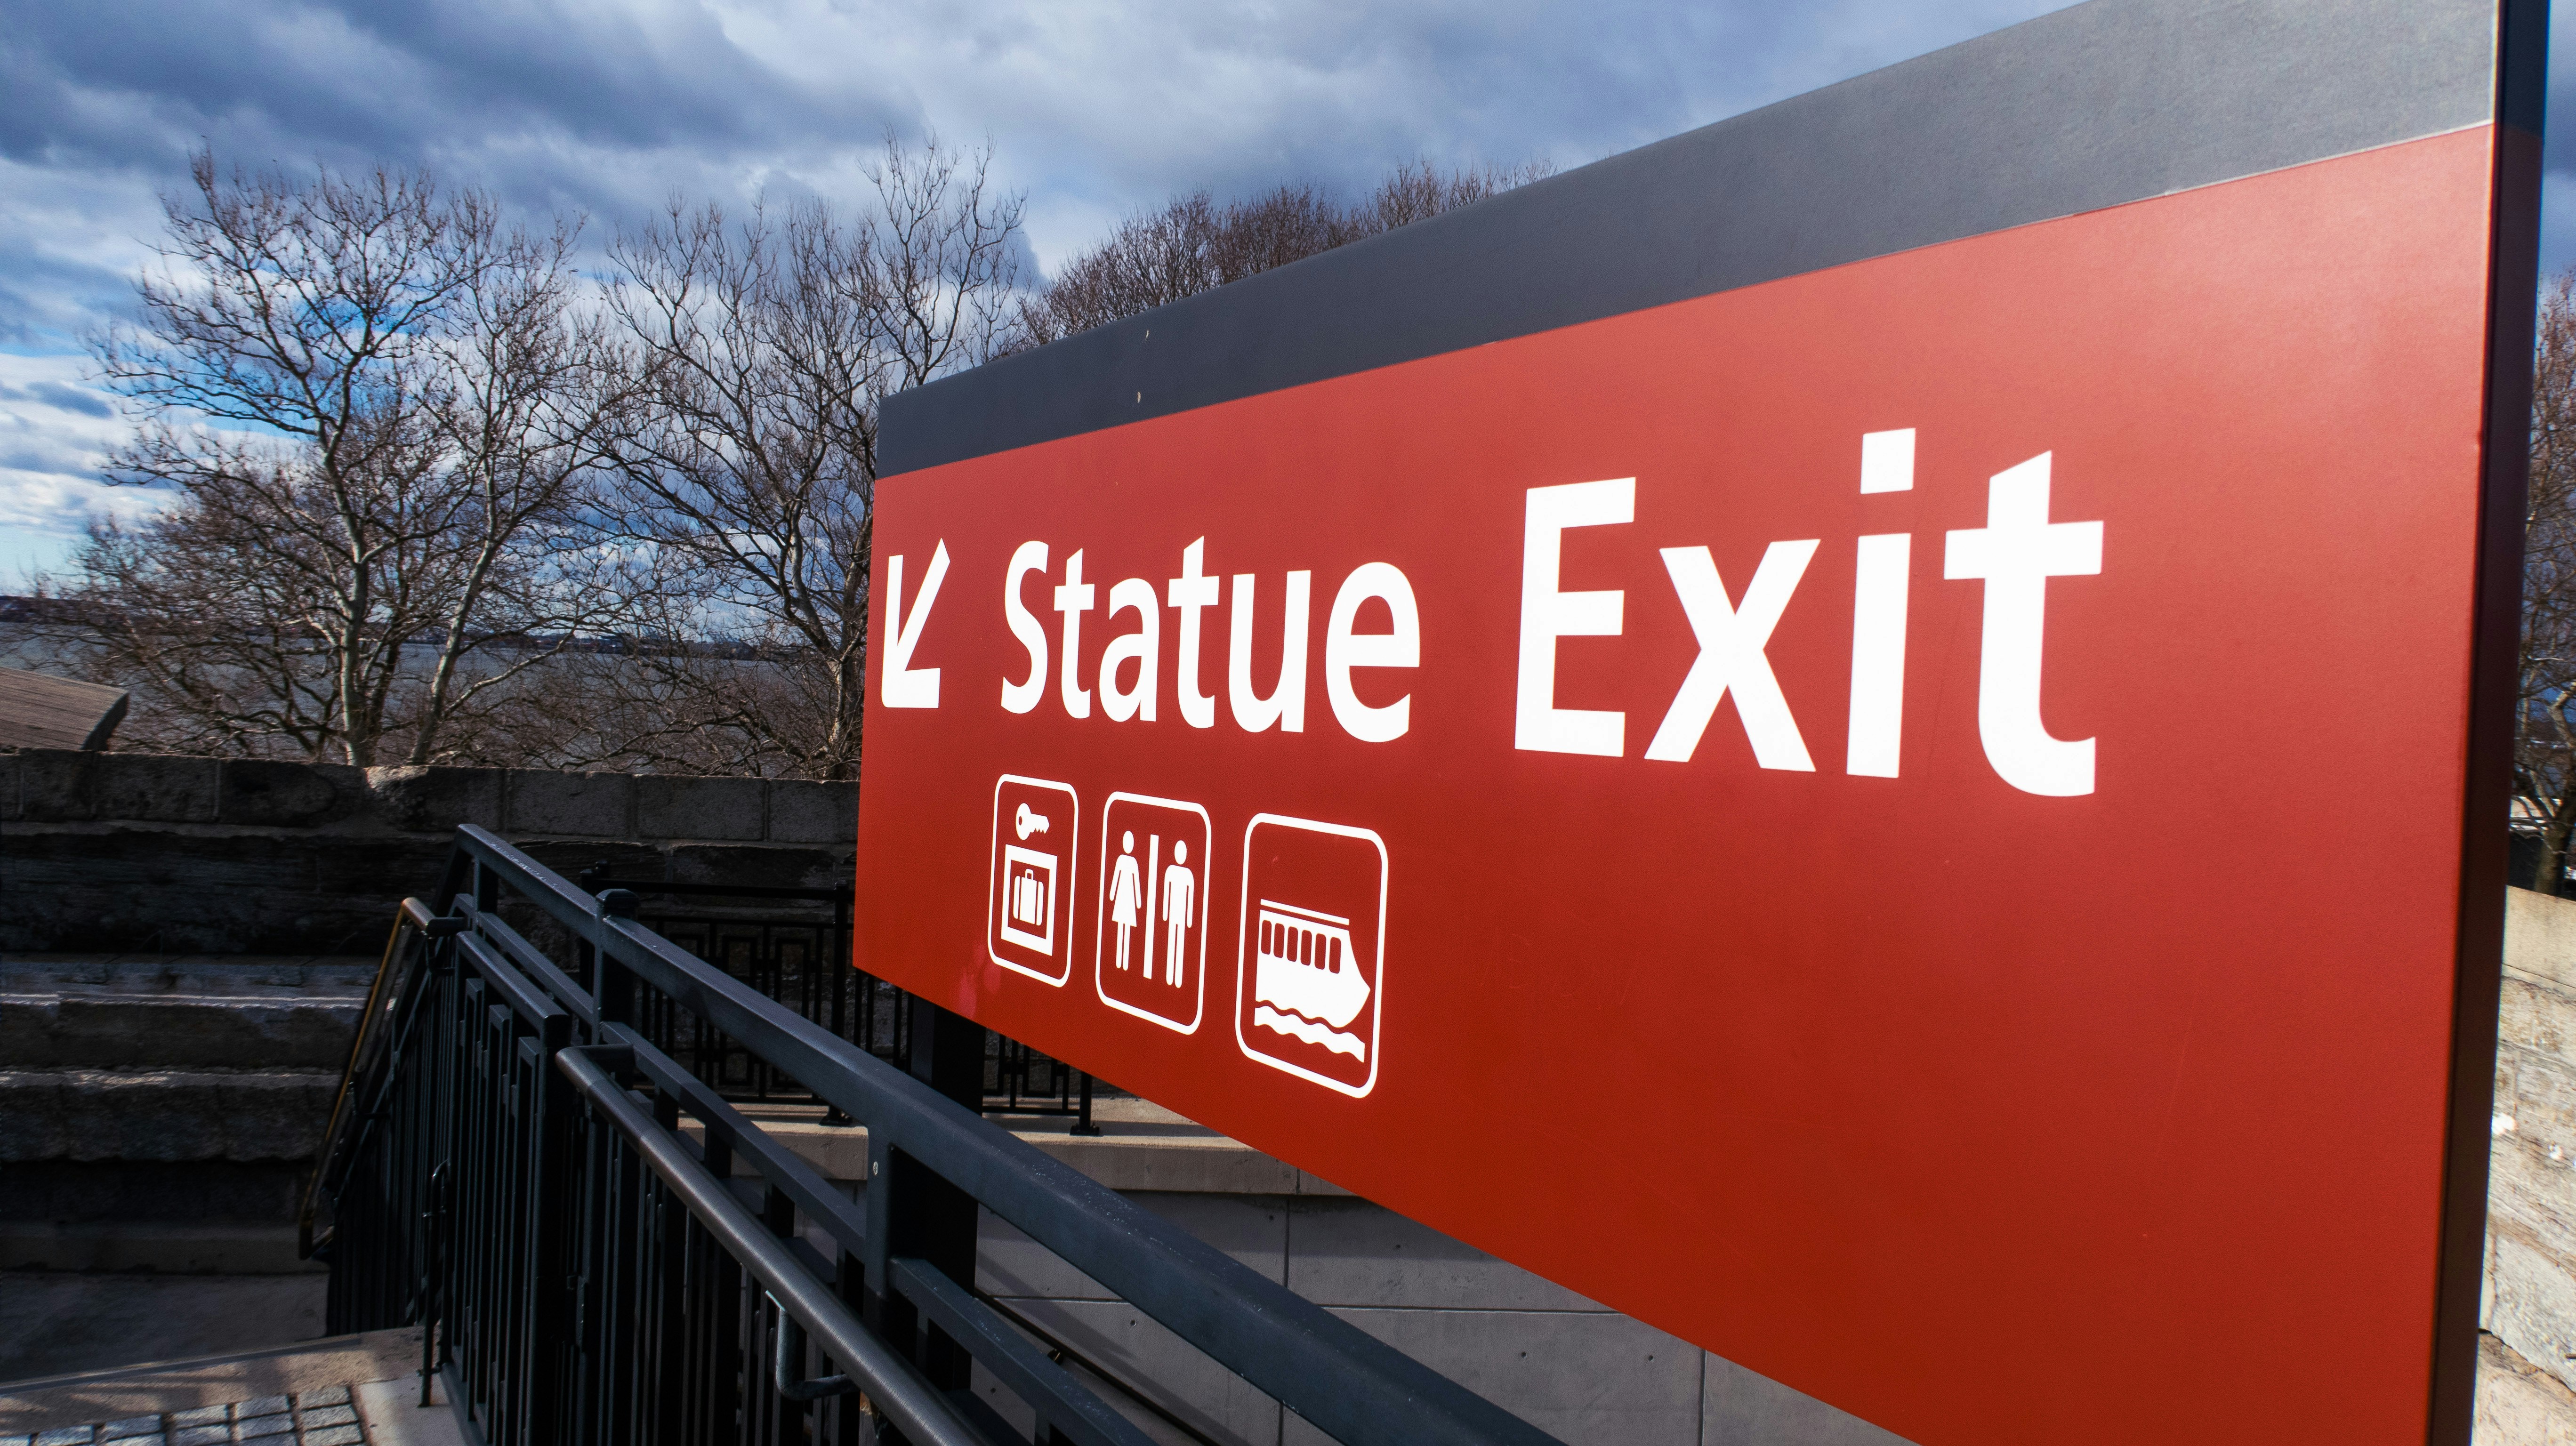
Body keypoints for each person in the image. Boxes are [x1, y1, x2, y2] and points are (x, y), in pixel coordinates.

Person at [1159, 841, 1196, 987]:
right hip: (1173, 914)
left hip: (1180, 915)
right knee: (1171, 942)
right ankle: (1170, 976)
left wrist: (1188, 919)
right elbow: (1166, 893)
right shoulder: (1170, 871)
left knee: (1179, 943)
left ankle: (1177, 978)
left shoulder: (1188, 875)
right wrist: (1165, 913)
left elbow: (1190, 897)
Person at [1109, 831, 1143, 971]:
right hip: (1122, 899)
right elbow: (1116, 877)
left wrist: (1138, 901)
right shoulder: (1121, 860)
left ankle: (1125, 963)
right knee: (1121, 927)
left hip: (1128, 900)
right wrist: (1112, 894)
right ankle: (1119, 960)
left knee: (1126, 928)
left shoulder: (1133, 862)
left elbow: (1136, 883)